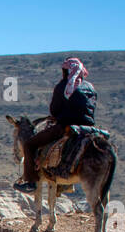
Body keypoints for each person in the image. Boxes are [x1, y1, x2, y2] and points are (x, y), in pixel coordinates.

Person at [14, 57, 97, 192]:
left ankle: (31, 182)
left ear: (66, 71)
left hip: (66, 127)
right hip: (89, 128)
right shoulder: (90, 87)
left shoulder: (63, 86)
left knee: (29, 145)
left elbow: (54, 109)